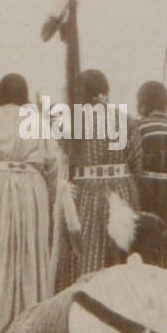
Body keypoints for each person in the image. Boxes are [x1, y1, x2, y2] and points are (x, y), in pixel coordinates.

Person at [0, 73, 58, 333]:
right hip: (32, 188)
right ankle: (29, 321)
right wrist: (49, 196)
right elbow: (53, 163)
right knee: (28, 251)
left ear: (1, 95)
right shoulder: (37, 119)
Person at [52, 69, 142, 291]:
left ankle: (86, 301)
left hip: (86, 193)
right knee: (121, 253)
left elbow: (63, 165)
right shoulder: (127, 120)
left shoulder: (72, 122)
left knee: (87, 254)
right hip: (122, 192)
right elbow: (137, 163)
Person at [133, 81, 167, 272]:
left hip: (147, 190)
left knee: (147, 239)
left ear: (143, 105)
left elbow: (134, 162)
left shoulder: (138, 126)